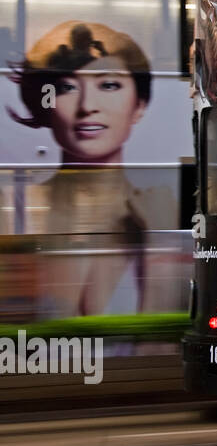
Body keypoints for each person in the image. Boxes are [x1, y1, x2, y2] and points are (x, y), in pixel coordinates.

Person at [6, 21, 175, 316]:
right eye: (67, 87)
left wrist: (161, 241)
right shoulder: (13, 208)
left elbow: (161, 344)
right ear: (45, 104)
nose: (87, 106)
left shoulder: (162, 212)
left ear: (140, 105)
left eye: (108, 85)